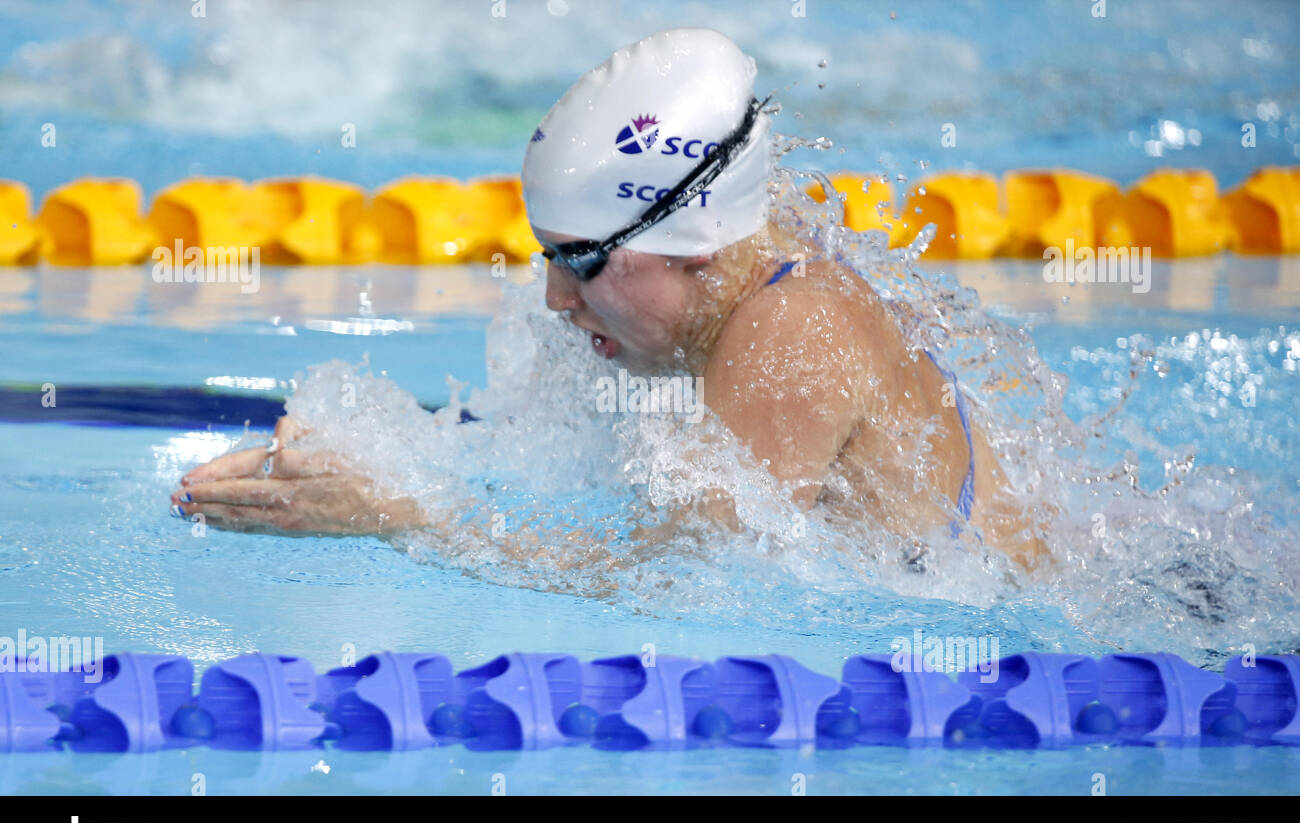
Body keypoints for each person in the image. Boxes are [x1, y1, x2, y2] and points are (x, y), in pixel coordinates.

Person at [171, 28, 1046, 569]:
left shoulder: (788, 333)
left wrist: (391, 516)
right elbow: (539, 464)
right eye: (549, 257)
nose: (555, 298)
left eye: (584, 262)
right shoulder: (725, 278)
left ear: (695, 247)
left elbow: (679, 588)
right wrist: (367, 456)